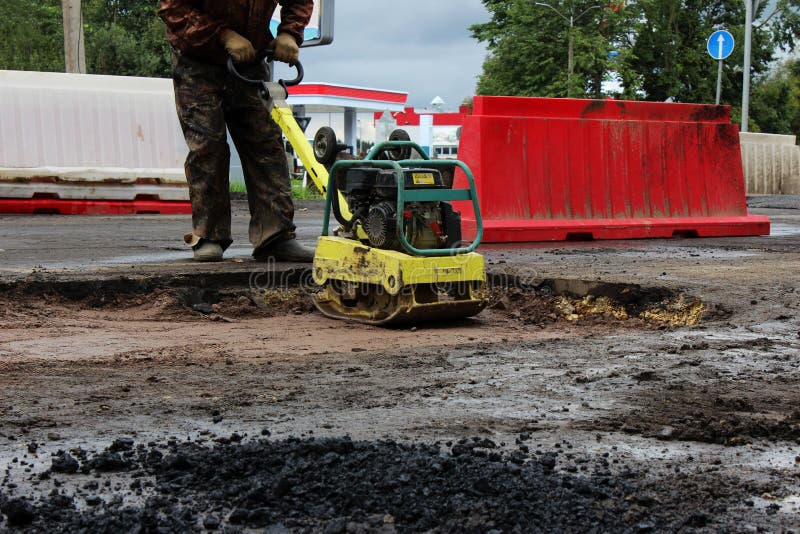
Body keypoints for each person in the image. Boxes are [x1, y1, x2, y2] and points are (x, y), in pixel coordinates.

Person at [158, 0, 316, 262]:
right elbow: (173, 9)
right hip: (197, 60)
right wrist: (224, 36)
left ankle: (275, 236)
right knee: (208, 145)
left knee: (265, 142)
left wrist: (289, 31)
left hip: (249, 59)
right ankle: (209, 235)